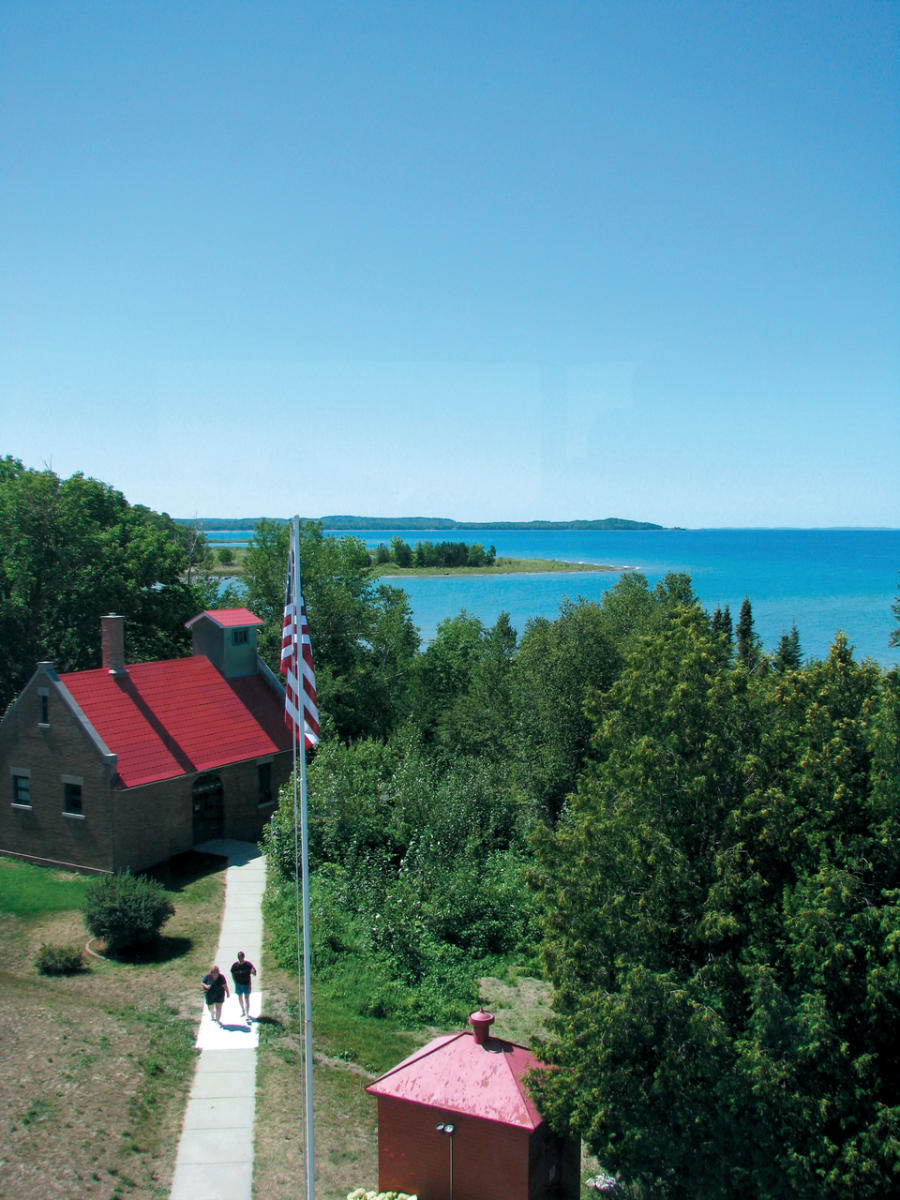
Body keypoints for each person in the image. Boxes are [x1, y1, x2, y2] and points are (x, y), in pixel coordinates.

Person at [230, 951, 257, 1022]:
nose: (240, 958)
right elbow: (232, 973)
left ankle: (247, 1014)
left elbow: (254, 973)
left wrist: (253, 972)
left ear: (243, 957)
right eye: (239, 957)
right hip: (238, 984)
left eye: (241, 957)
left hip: (246, 984)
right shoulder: (235, 966)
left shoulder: (248, 965)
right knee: (240, 997)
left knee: (246, 999)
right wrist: (235, 982)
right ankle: (243, 1010)